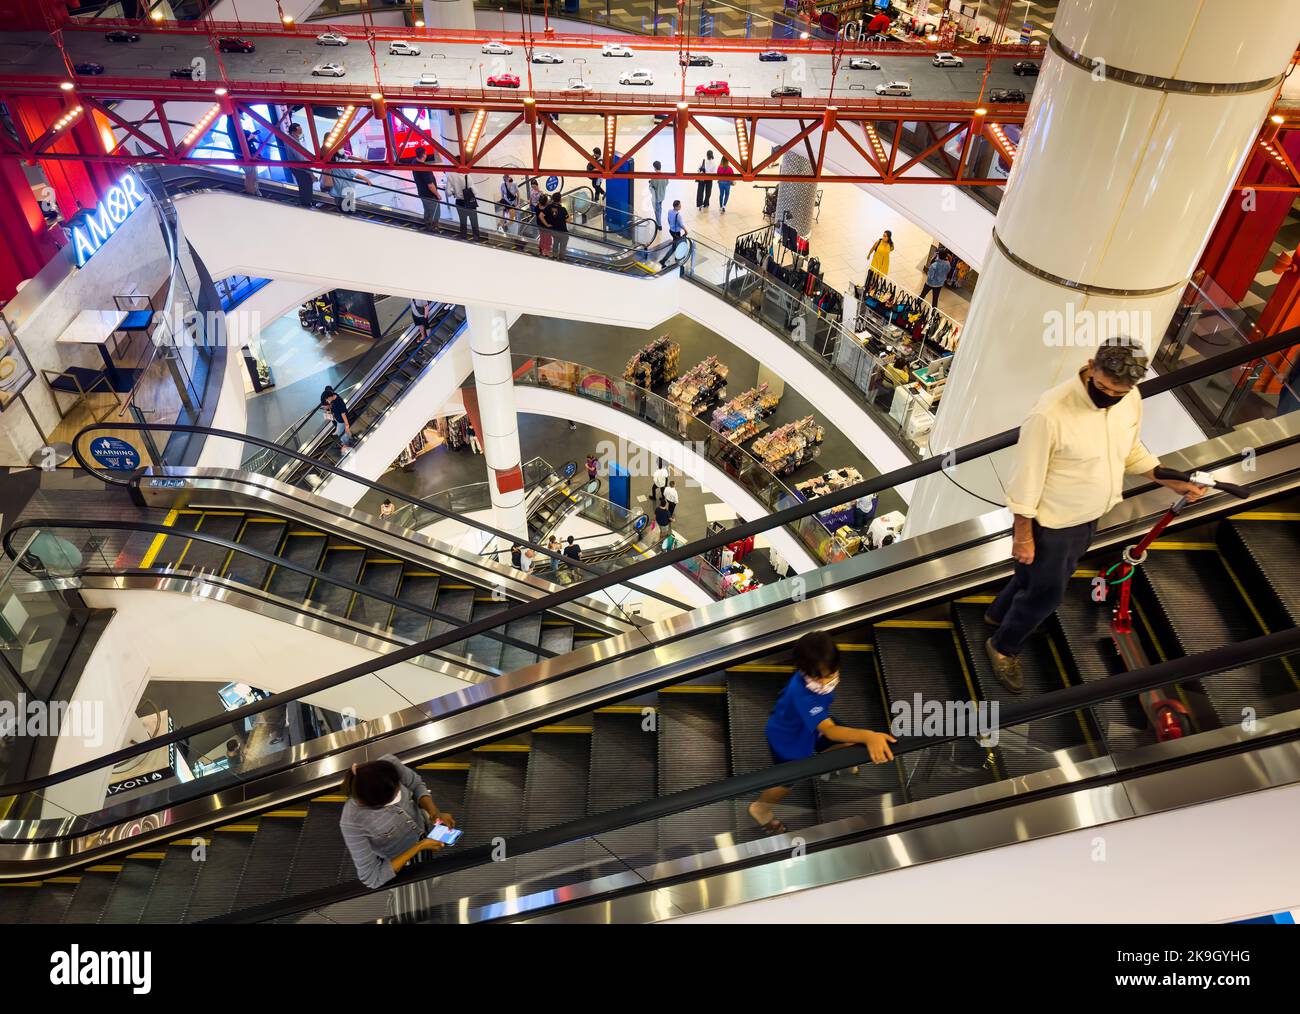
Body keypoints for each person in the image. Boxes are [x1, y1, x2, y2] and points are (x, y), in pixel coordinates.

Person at [986, 338, 1208, 693]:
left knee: (1038, 580)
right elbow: (1024, 479)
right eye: (1103, 386)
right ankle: (1002, 646)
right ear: (1091, 366)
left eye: (1118, 392)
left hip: (1089, 516)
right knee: (1047, 594)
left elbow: (1130, 452)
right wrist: (1023, 535)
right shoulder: (1050, 413)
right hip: (1053, 524)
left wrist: (1170, 481)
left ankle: (999, 613)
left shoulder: (1129, 399)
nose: (1108, 396)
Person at [747, 632, 896, 836]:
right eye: (819, 677)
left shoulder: (817, 686)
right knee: (787, 780)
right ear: (803, 671)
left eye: (831, 674)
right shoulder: (802, 695)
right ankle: (760, 808)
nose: (827, 682)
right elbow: (830, 731)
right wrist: (869, 736)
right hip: (789, 739)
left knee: (848, 742)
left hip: (812, 725)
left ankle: (829, 765)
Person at [339, 754, 455, 889]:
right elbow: (371, 878)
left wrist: (434, 813)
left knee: (428, 864)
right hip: (401, 859)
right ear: (375, 804)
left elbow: (416, 785)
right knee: (420, 885)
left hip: (422, 831)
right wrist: (419, 847)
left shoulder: (390, 765)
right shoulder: (351, 822)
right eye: (393, 799)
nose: (401, 791)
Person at [411, 148, 443, 231]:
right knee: (434, 213)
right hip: (430, 195)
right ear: (424, 155)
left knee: (427, 211)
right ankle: (434, 229)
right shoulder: (425, 168)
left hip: (422, 193)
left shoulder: (414, 162)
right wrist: (437, 195)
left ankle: (428, 226)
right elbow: (430, 185)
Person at [447, 172, 481, 240]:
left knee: (463, 221)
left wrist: (455, 192)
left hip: (459, 202)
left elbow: (448, 193)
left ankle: (463, 237)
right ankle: (476, 237)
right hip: (469, 201)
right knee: (474, 221)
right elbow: (475, 191)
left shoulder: (451, 176)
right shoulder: (467, 176)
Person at [660, 200, 687, 266]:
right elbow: (681, 224)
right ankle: (664, 260)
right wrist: (686, 230)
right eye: (679, 206)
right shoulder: (678, 215)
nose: (680, 207)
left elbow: (668, 219)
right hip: (676, 233)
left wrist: (671, 225)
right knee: (675, 246)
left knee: (678, 244)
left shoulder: (670, 211)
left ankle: (676, 257)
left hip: (671, 231)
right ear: (676, 207)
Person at [546, 195, 570, 260]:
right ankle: (561, 258)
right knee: (563, 246)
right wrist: (570, 215)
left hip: (554, 230)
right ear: (560, 200)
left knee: (555, 243)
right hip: (563, 231)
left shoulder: (549, 207)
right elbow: (568, 220)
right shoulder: (563, 209)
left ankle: (554, 256)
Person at [648, 162, 668, 232]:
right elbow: (666, 183)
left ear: (655, 168)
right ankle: (659, 220)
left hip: (656, 197)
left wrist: (650, 183)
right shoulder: (665, 175)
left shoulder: (654, 177)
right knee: (659, 208)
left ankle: (659, 225)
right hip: (662, 196)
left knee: (657, 211)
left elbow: (651, 186)